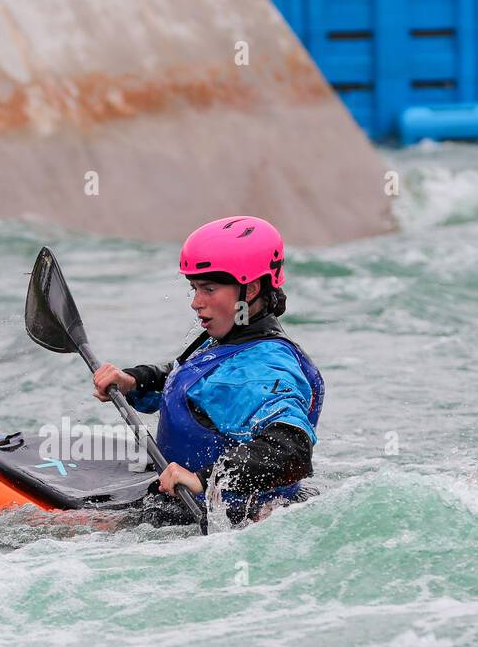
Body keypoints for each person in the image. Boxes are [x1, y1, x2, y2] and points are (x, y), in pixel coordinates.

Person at [92, 215, 324, 524]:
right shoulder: (234, 341)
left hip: (214, 522)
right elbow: (189, 384)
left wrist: (205, 478)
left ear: (251, 289)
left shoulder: (261, 368)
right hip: (183, 509)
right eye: (194, 289)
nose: (196, 302)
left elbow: (290, 451)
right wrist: (133, 381)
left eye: (209, 289)